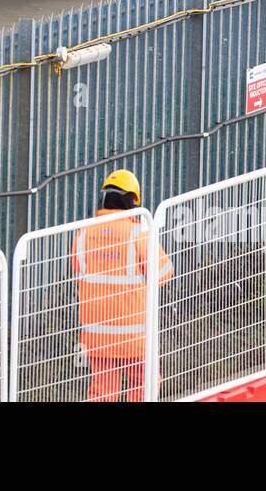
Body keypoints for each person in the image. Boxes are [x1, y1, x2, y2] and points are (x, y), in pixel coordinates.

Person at [70, 169, 174, 402]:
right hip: (133, 336)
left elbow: (77, 269)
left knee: (103, 391)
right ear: (132, 201)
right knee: (144, 383)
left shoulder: (83, 233)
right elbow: (164, 272)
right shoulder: (137, 232)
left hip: (96, 335)